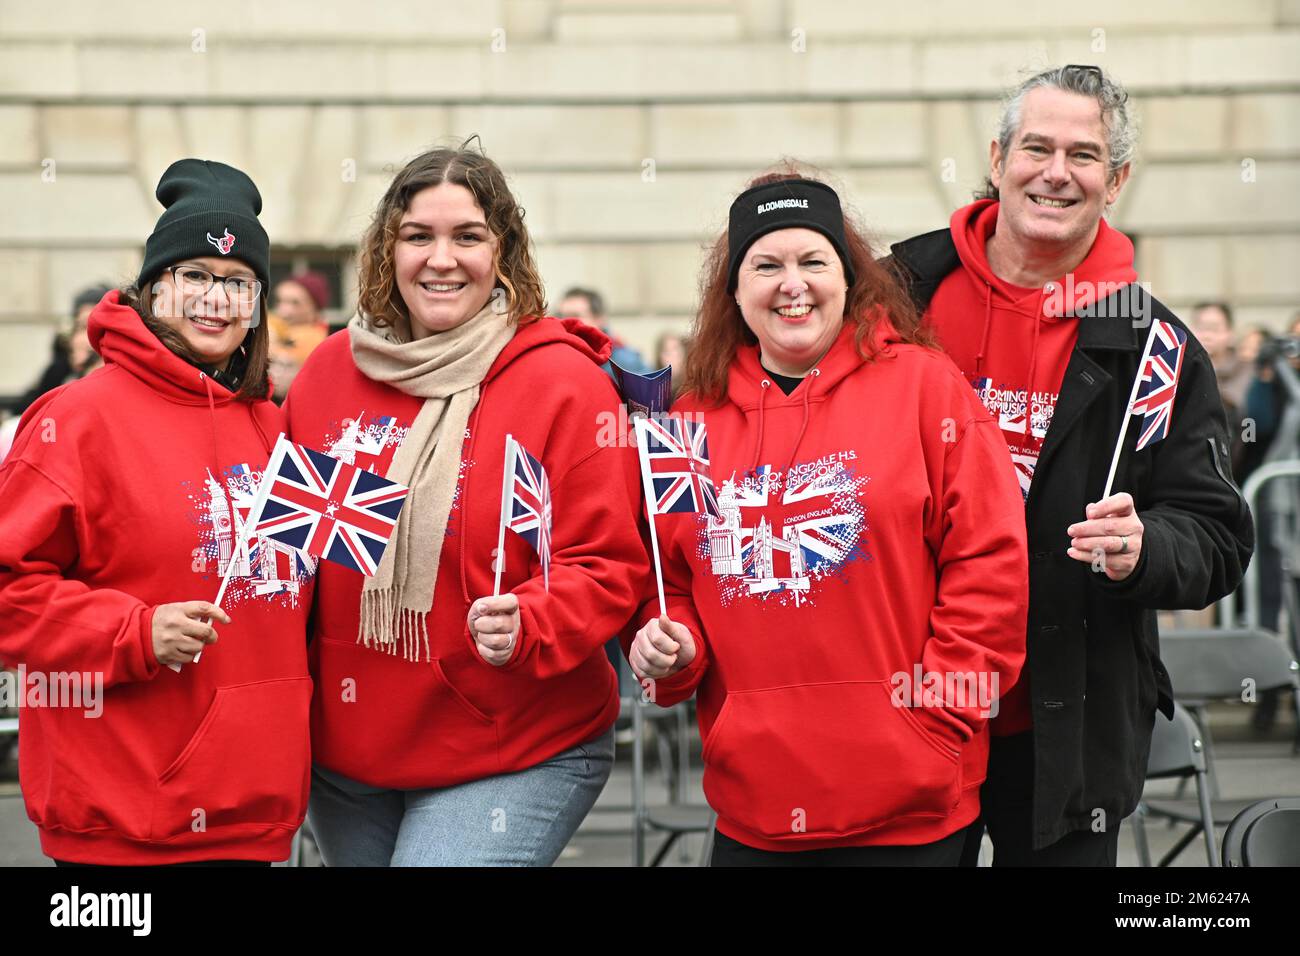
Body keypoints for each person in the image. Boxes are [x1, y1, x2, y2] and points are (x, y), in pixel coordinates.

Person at [889, 64, 1255, 865]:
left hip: (1066, 728)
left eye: (1084, 156)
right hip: (903, 710)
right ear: (996, 157)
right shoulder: (895, 300)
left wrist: (1148, 547)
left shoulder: (1157, 349)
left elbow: (1218, 536)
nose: (1056, 173)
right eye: (1037, 147)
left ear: (1115, 179)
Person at [625, 171, 1028, 866]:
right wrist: (670, 651)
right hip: (753, 808)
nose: (793, 283)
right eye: (767, 265)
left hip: (912, 804)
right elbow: (671, 584)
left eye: (814, 261)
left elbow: (990, 561)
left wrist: (939, 719)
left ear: (849, 278)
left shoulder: (927, 387)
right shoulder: (684, 422)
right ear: (734, 289)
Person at [284, 143, 649, 866]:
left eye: (468, 237)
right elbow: (291, 557)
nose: (441, 259)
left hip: (511, 746)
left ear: (503, 251)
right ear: (387, 249)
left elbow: (607, 564)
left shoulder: (564, 382)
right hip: (349, 755)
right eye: (418, 236)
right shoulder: (330, 370)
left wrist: (535, 620)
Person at [0, 158, 312, 865]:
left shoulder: (275, 426)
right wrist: (133, 633)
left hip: (256, 815)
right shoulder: (77, 419)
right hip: (121, 820)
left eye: (237, 282)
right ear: (153, 291)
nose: (215, 298)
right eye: (193, 275)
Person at [557, 286, 651, 376]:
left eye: (575, 315)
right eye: (561, 316)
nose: (566, 322)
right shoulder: (559, 356)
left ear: (599, 319)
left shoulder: (625, 362)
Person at [268, 271, 332, 402]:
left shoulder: (314, 337)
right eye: (280, 301)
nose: (284, 310)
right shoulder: (284, 329)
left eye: (295, 303)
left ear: (315, 308)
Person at [1190, 301, 1252, 428]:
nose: (1207, 335)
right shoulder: (1183, 369)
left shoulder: (1246, 369)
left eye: (1214, 329)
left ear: (1230, 333)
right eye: (1201, 328)